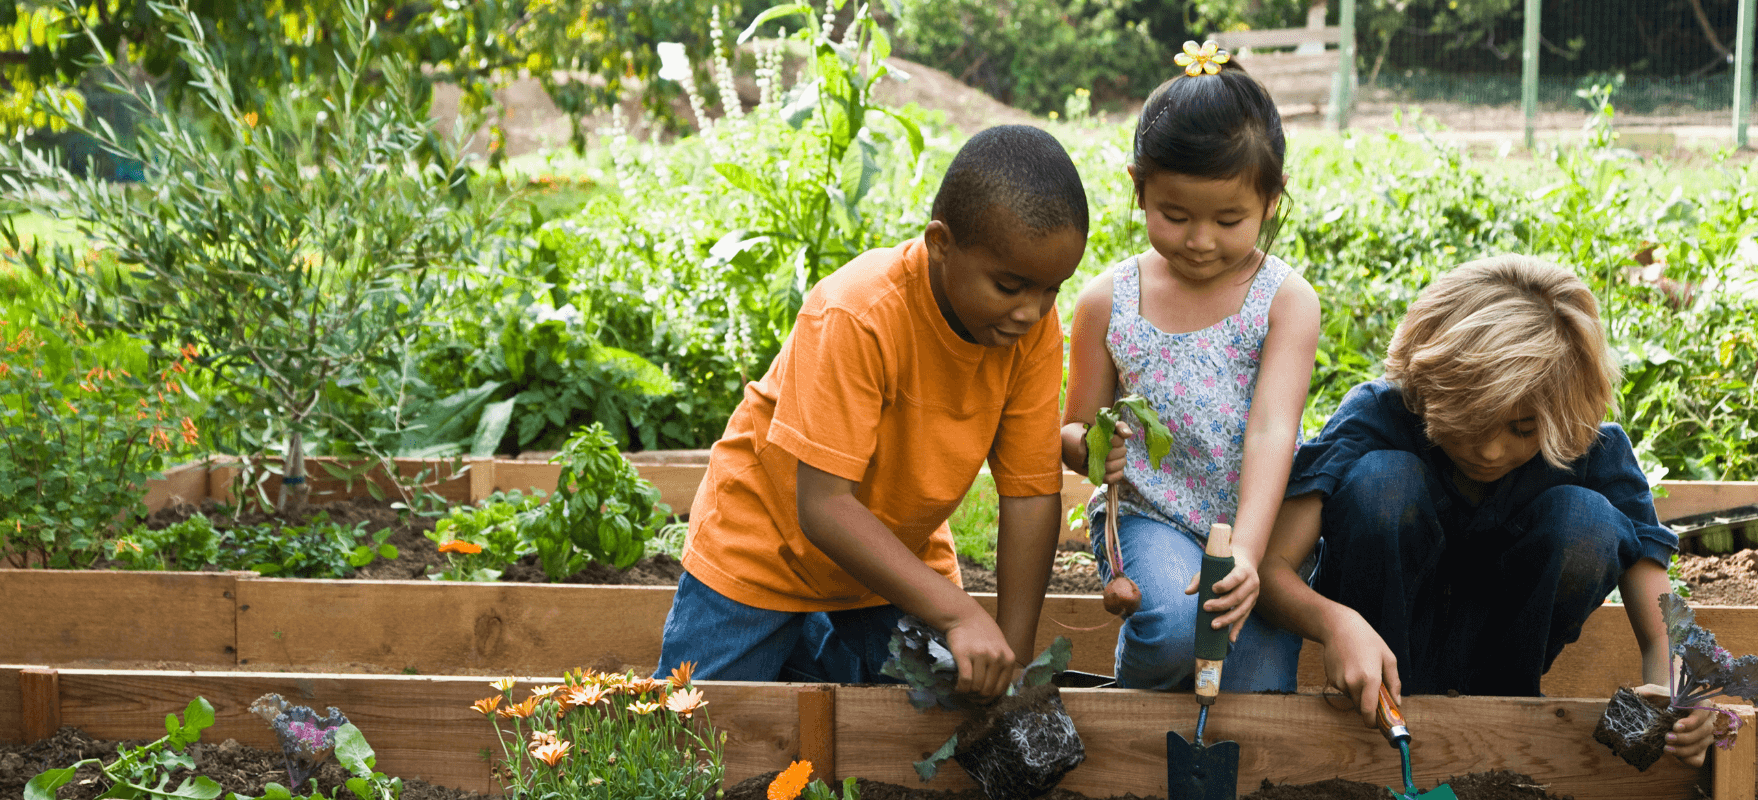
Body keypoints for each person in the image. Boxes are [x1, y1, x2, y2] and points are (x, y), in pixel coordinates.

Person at [654, 124, 1089, 698]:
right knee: (694, 726)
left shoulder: (1029, 331)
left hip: (892, 559)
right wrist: (959, 615)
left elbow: (1031, 494)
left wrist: (1009, 661)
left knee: (939, 706)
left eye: (1052, 290)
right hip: (766, 546)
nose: (1032, 311)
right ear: (941, 244)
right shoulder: (858, 314)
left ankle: (809, 643)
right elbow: (825, 507)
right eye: (1009, 286)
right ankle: (799, 636)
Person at [1255, 254, 1716, 765]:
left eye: (1522, 430)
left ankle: (1506, 712)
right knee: (1383, 482)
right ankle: (1390, 708)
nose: (1492, 451)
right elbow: (1272, 572)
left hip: (1507, 670)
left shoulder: (1590, 449)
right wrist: (1334, 623)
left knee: (1586, 520)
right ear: (1428, 387)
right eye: (1472, 423)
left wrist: (1679, 699)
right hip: (1376, 686)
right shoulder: (1379, 416)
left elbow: (1661, 630)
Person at [1059, 41, 1320, 692]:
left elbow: (1271, 430)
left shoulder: (1284, 301)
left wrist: (1249, 555)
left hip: (1259, 521)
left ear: (1270, 198)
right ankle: (1127, 726)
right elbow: (1073, 431)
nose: (1200, 240)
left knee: (1252, 702)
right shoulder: (1107, 302)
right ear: (1138, 188)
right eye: (1174, 216)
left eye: (1229, 219)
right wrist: (1093, 449)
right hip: (1155, 516)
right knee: (1176, 631)